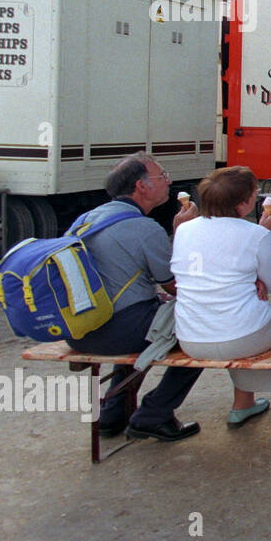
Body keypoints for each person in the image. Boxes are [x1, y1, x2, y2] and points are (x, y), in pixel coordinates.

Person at [70, 153, 202, 442]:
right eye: (162, 176)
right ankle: (154, 415)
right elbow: (175, 286)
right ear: (141, 187)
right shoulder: (144, 228)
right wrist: (183, 234)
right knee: (204, 334)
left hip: (78, 329)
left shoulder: (88, 218)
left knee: (144, 320)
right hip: (113, 331)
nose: (168, 181)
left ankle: (113, 414)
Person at [170, 167, 271, 428]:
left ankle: (242, 403)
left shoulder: (184, 230)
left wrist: (247, 279)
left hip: (190, 336)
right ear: (243, 202)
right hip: (241, 333)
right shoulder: (255, 234)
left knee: (240, 316)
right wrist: (265, 234)